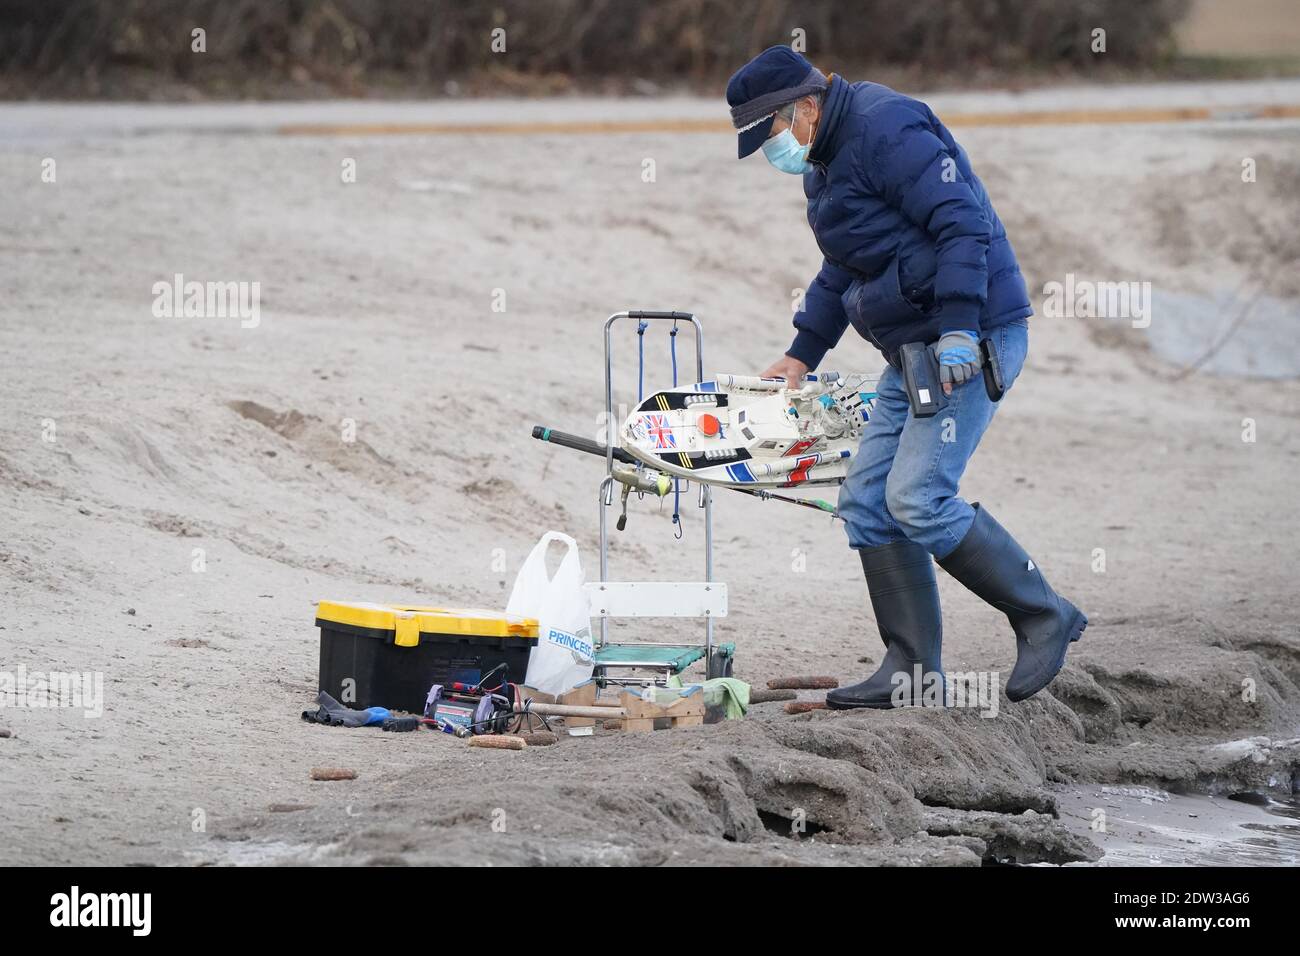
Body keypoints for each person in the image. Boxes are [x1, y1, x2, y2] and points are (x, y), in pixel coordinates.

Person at [726, 46, 1086, 708]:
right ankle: (912, 668)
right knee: (867, 501)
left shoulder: (887, 128)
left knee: (918, 496)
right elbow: (844, 266)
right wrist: (803, 351)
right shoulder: (825, 165)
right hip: (914, 350)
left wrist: (956, 329)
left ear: (805, 106)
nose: (773, 149)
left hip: (971, 336)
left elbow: (962, 225)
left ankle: (1044, 615)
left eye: (772, 131)